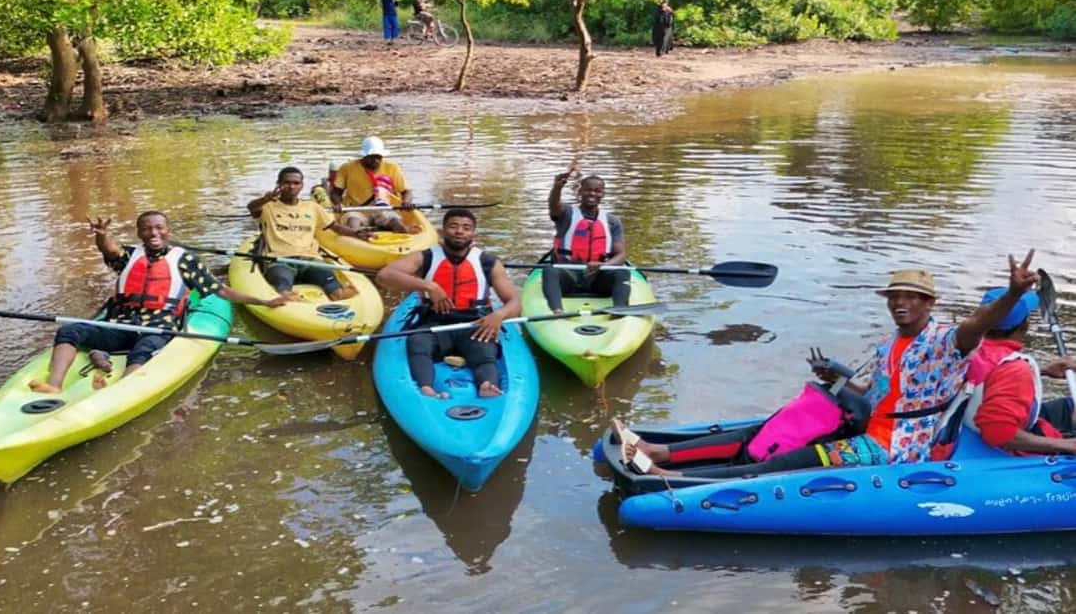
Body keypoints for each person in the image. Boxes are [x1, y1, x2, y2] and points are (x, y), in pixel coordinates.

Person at [624, 252, 1040, 478]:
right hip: (876, 423)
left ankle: (677, 479)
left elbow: (977, 325)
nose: (900, 303)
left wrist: (1010, 294)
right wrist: (837, 380)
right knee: (771, 429)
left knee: (793, 462)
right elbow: (877, 396)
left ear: (929, 303)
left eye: (911, 297)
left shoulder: (947, 341)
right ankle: (656, 449)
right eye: (895, 297)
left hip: (896, 448)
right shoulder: (890, 344)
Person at [28, 212, 287, 394]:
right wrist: (101, 236)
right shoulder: (130, 255)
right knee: (69, 331)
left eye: (159, 227)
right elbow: (110, 250)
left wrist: (263, 300)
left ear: (167, 230)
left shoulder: (184, 260)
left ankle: (119, 393)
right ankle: (54, 384)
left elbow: (220, 291)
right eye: (147, 228)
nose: (154, 232)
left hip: (159, 326)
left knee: (144, 349)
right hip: (120, 325)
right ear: (139, 232)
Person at [376, 209, 521, 398]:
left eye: (466, 228)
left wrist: (499, 315)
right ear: (443, 231)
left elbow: (515, 302)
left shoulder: (488, 262)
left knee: (485, 351)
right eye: (453, 226)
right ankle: (426, 387)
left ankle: (487, 385)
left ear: (473, 234)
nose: (459, 231)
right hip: (434, 321)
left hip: (474, 323)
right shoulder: (425, 257)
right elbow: (384, 276)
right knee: (418, 342)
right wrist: (429, 286)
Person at [965, 288, 1076, 454]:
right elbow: (998, 433)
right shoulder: (1015, 368)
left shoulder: (966, 347)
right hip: (1006, 451)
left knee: (1069, 407)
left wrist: (1041, 371)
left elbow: (988, 380)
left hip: (970, 430)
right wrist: (1066, 445)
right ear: (1023, 325)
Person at [247, 166, 358, 301]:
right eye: (286, 183)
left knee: (331, 282)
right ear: (279, 184)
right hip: (279, 260)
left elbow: (335, 227)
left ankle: (338, 294)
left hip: (310, 259)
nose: (291, 187)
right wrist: (265, 199)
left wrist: (357, 234)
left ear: (302, 186)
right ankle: (285, 295)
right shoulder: (267, 206)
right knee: (281, 280)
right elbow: (252, 207)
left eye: (296, 183)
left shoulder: (312, 207)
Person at [542, 170, 630, 315]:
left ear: (603, 194)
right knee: (550, 270)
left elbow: (621, 255)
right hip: (568, 274)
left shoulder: (612, 221)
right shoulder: (566, 214)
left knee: (622, 272)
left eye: (597, 191)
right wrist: (557, 187)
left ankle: (619, 310)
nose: (592, 194)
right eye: (588, 190)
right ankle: (557, 311)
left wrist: (604, 265)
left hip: (597, 277)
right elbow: (554, 206)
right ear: (580, 192)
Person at [329, 136, 420, 236]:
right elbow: (336, 192)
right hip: (356, 209)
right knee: (353, 222)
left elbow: (406, 191)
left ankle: (401, 235)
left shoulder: (392, 167)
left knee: (395, 222)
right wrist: (337, 203)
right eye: (372, 157)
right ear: (364, 156)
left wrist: (406, 202)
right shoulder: (347, 168)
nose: (376, 160)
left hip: (383, 208)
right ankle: (358, 236)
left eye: (379, 157)